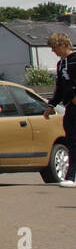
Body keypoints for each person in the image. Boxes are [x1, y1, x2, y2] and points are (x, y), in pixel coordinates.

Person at [42, 32, 76, 186]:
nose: (53, 52)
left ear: (63, 45)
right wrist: (51, 105)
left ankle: (71, 176)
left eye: (54, 48)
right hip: (70, 107)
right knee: (71, 141)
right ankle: (71, 176)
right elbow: (60, 87)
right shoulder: (61, 64)